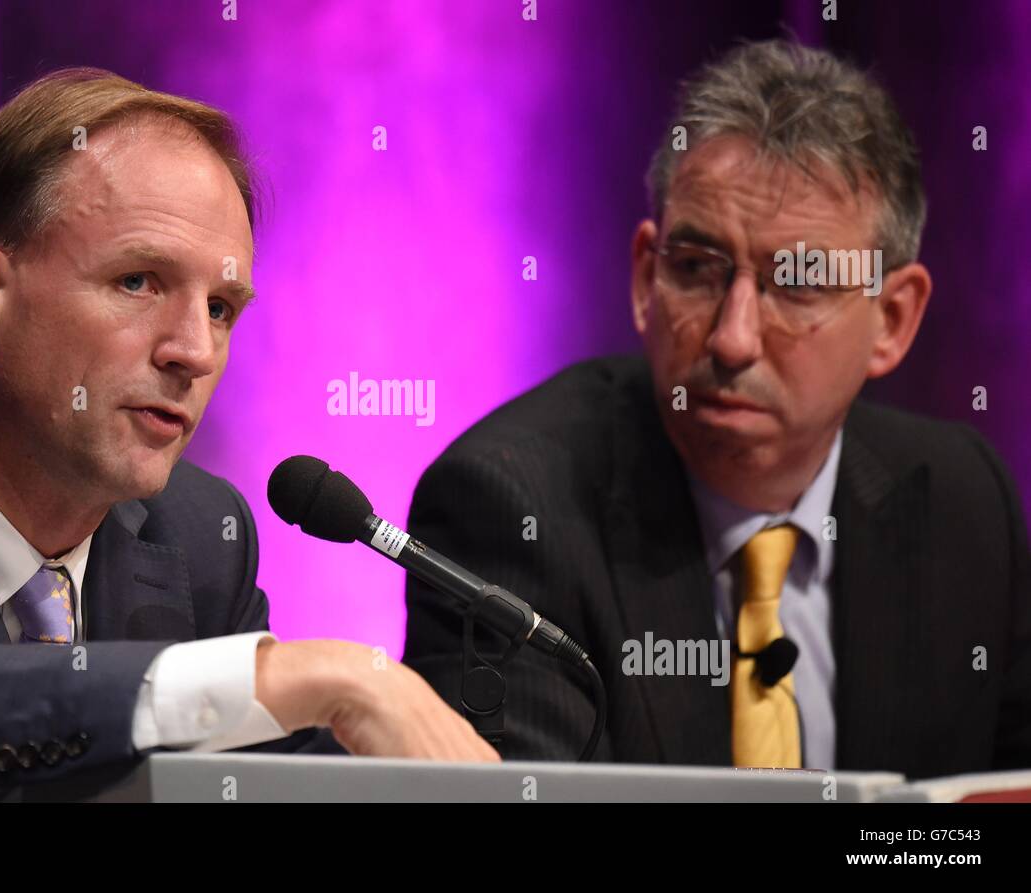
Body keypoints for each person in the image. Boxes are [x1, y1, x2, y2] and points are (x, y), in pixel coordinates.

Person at [0, 68, 497, 802]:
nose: (194, 351)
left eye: (222, 307)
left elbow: (273, 777)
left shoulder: (200, 536)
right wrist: (292, 676)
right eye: (138, 281)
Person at [403, 40, 1030, 778]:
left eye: (796, 285)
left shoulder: (962, 501)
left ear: (892, 318)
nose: (732, 339)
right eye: (696, 270)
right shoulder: (511, 509)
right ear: (645, 276)